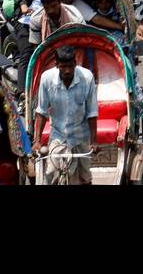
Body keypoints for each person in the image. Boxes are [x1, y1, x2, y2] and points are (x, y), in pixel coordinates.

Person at [32, 45, 98, 185]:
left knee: (85, 177)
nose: (67, 70)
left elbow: (92, 112)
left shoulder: (86, 77)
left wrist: (93, 141)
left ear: (75, 63)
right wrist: (37, 141)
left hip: (81, 136)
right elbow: (41, 111)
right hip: (58, 136)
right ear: (56, 65)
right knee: (50, 175)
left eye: (70, 66)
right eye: (63, 67)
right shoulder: (47, 79)